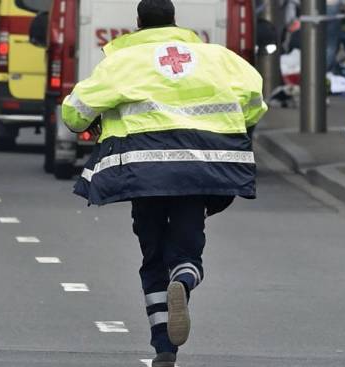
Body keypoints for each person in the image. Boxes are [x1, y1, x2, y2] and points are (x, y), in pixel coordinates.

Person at [60, 0, 266, 365]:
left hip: (145, 169)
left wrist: (98, 121)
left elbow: (75, 113)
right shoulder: (217, 57)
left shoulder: (122, 62)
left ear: (138, 24)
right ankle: (185, 277)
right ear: (175, 21)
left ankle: (163, 348)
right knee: (188, 244)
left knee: (152, 254)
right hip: (201, 165)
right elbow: (254, 99)